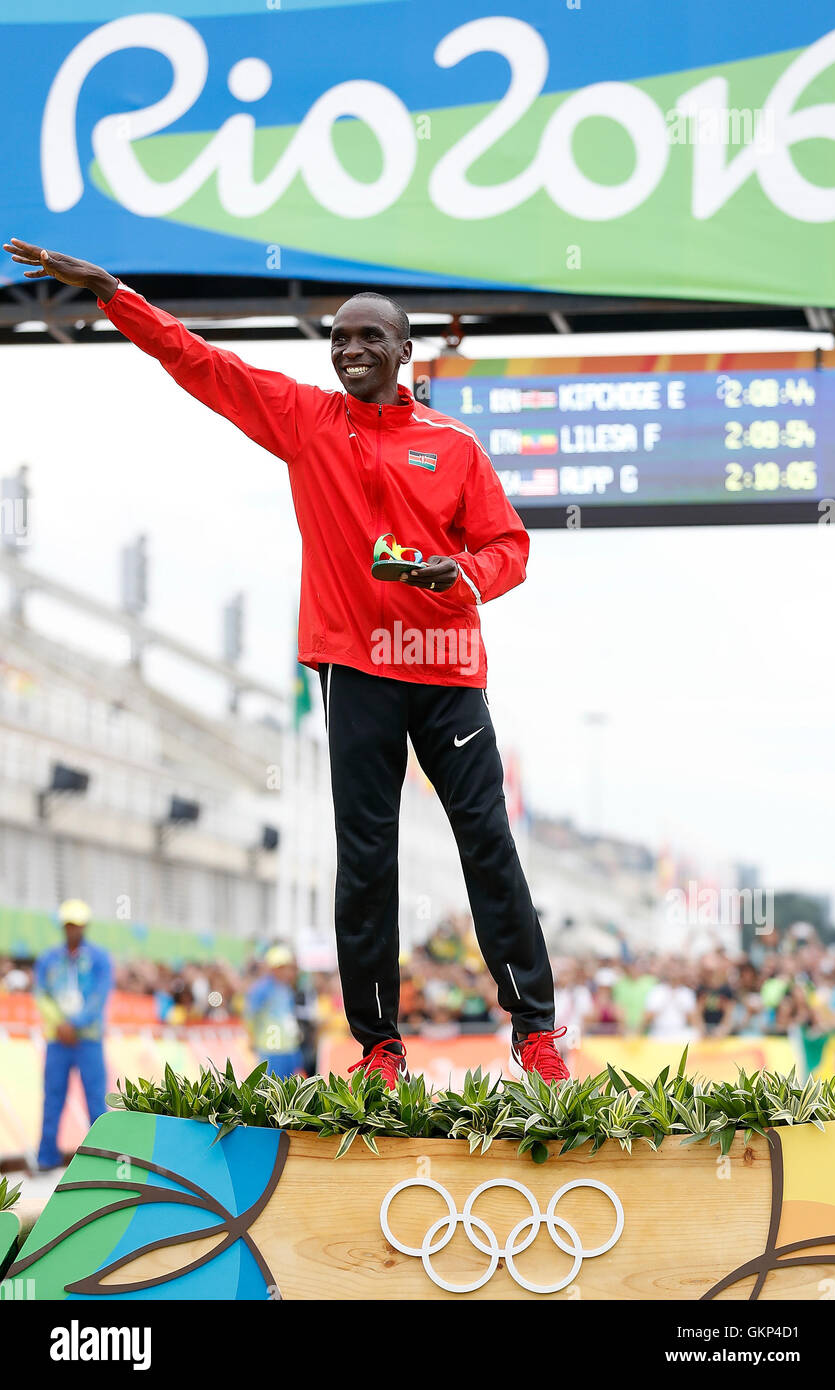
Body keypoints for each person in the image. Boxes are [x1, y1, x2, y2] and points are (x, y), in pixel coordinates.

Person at [4, 237, 569, 1091]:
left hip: (447, 666)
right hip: (357, 669)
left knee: (486, 844)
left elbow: (509, 546)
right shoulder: (308, 421)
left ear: (405, 353)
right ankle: (379, 1047)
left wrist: (463, 575)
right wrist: (115, 292)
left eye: (368, 338)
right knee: (366, 860)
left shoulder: (453, 447)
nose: (348, 350)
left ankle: (535, 1035)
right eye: (338, 338)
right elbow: (202, 364)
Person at [33, 899, 113, 1170]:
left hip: (87, 1038)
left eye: (76, 925)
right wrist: (60, 1024)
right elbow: (42, 995)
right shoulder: (48, 959)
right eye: (68, 925)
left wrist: (76, 1023)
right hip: (58, 1039)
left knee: (95, 1098)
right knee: (53, 1096)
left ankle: (104, 1158)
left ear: (85, 926)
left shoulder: (99, 958)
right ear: (62, 926)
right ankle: (46, 1158)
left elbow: (99, 996)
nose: (72, 930)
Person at [243, 945, 304, 1081]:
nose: (291, 972)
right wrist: (252, 1039)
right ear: (276, 968)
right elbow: (250, 1016)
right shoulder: (261, 989)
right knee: (272, 1090)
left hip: (290, 1048)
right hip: (271, 1049)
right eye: (287, 967)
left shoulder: (286, 988)